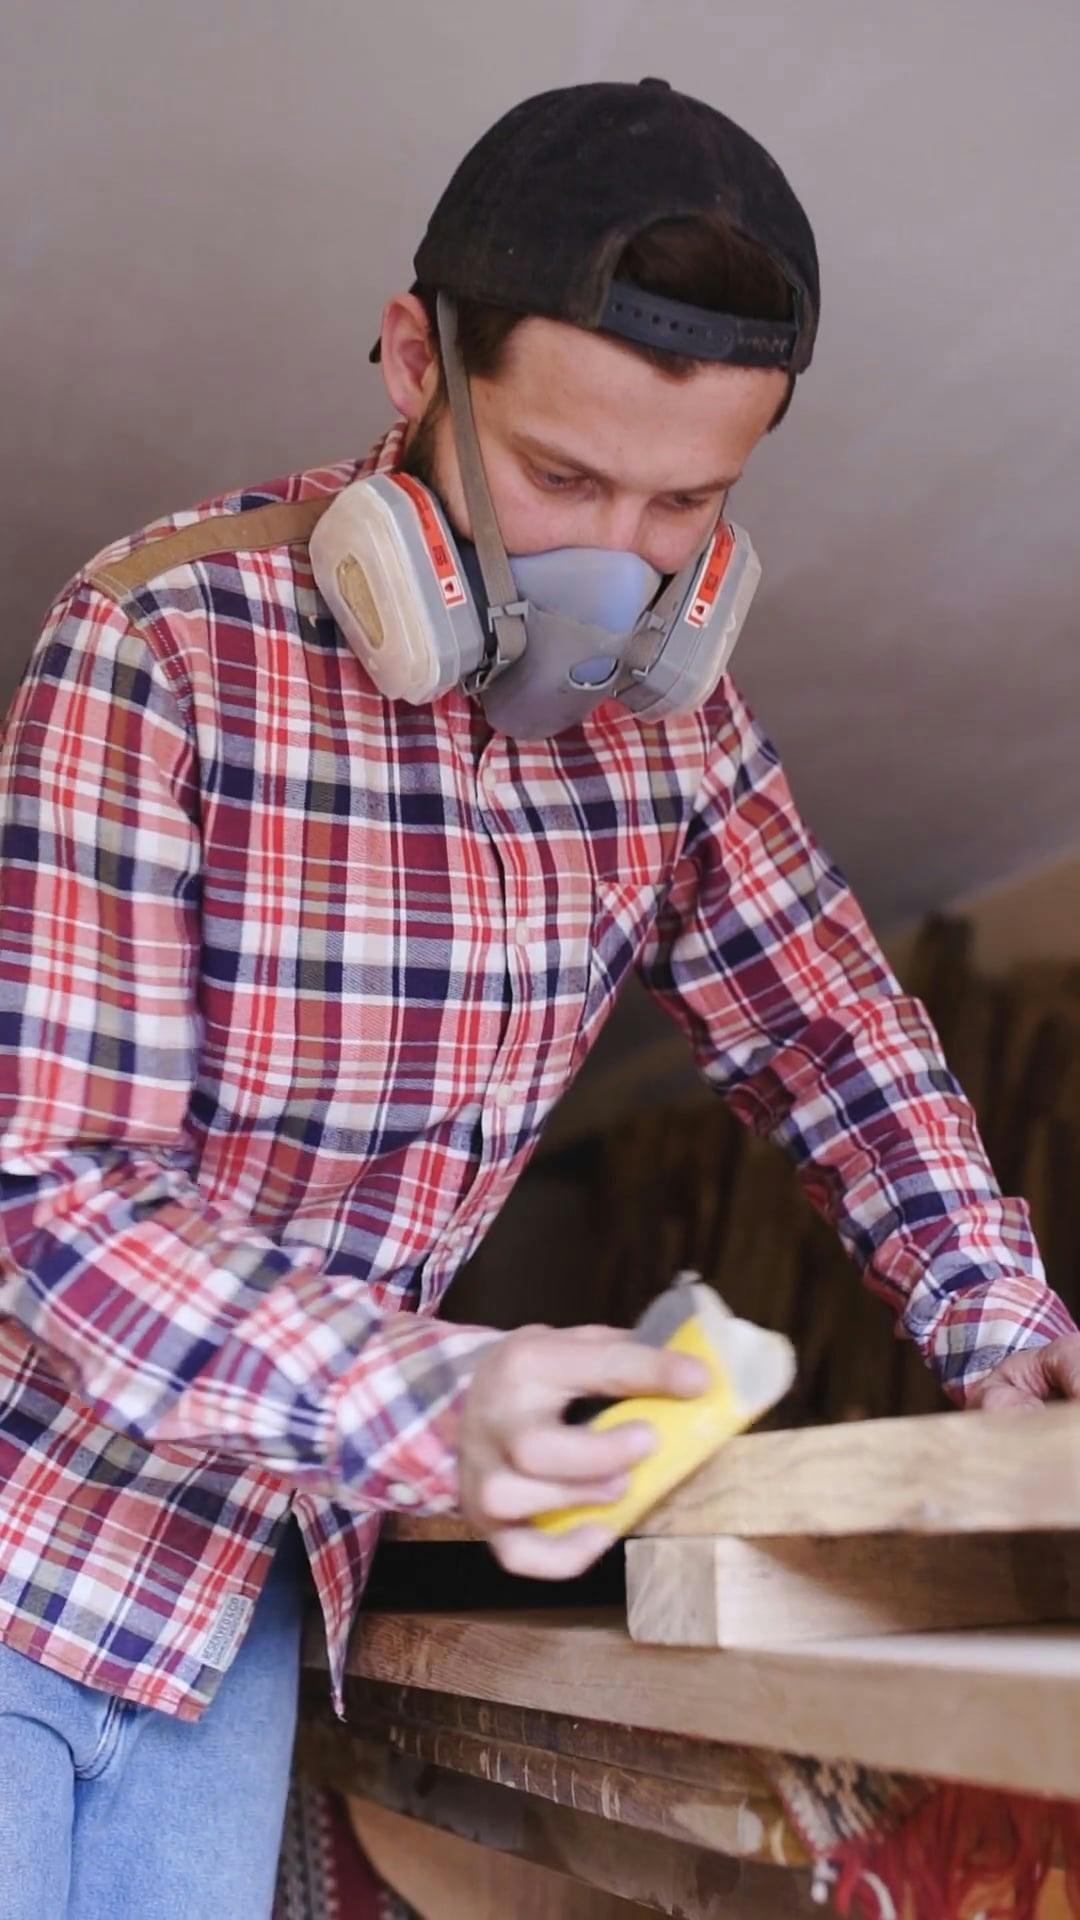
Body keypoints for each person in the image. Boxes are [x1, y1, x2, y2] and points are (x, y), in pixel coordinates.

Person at [0, 76, 1076, 1919]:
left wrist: (1007, 1330)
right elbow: (52, 1200)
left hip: (240, 1617)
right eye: (564, 477)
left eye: (688, 503)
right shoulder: (160, 638)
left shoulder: (678, 735)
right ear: (416, 360)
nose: (621, 556)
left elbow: (831, 1032)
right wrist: (443, 1394)